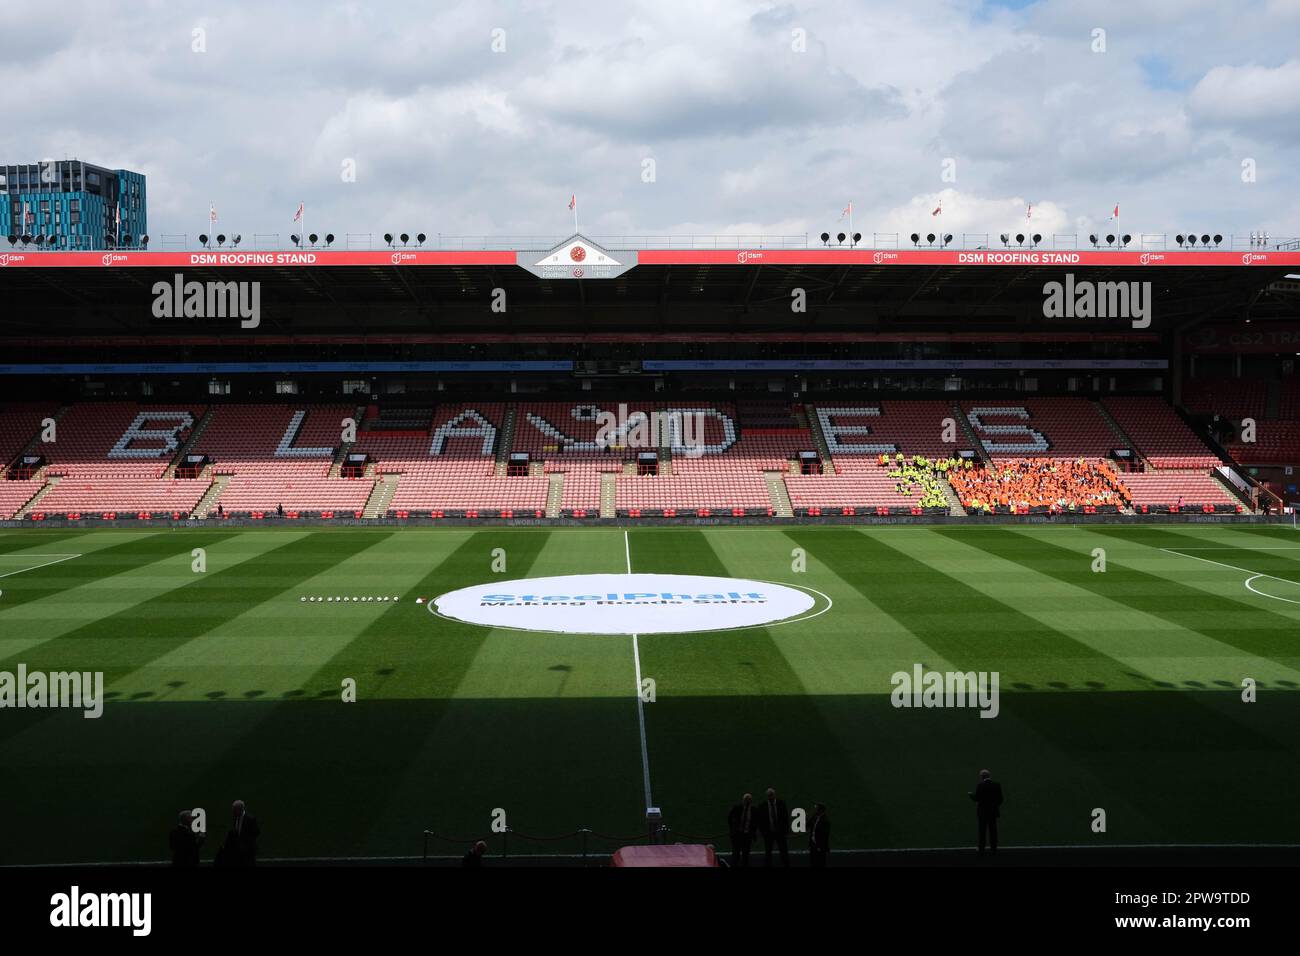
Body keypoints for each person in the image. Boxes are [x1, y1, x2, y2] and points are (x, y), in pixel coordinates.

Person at [968, 770, 1004, 855]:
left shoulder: (980, 786)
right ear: (989, 775)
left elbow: (977, 799)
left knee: (982, 831)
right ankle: (994, 848)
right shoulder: (996, 785)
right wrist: (994, 805)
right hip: (993, 812)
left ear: (982, 777)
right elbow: (1000, 799)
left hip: (983, 813)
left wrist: (970, 795)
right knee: (993, 830)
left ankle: (981, 849)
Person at [216, 799, 260, 866]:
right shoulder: (236, 819)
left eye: (234, 809)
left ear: (240, 809)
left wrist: (246, 845)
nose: (232, 811)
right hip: (238, 852)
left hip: (248, 852)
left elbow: (256, 833)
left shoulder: (250, 819)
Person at [756, 787, 790, 867]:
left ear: (774, 795)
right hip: (768, 833)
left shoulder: (781, 804)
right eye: (769, 795)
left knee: (783, 851)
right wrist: (763, 832)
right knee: (768, 852)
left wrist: (785, 830)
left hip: (780, 832)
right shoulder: (762, 806)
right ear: (767, 796)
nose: (770, 797)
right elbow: (760, 821)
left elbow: (785, 818)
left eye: (771, 795)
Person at [727, 793, 758, 867]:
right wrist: (732, 829)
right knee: (736, 854)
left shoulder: (754, 810)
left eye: (749, 800)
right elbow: (729, 818)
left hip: (747, 836)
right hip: (738, 835)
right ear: (743, 800)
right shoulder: (737, 808)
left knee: (745, 855)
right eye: (746, 800)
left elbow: (755, 822)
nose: (747, 802)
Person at [808, 803, 831, 867]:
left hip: (820, 846)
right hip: (813, 845)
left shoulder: (825, 821)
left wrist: (822, 847)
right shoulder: (814, 817)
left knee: (821, 863)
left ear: (820, 810)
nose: (815, 810)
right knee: (813, 862)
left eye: (816, 809)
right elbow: (808, 825)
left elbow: (825, 836)